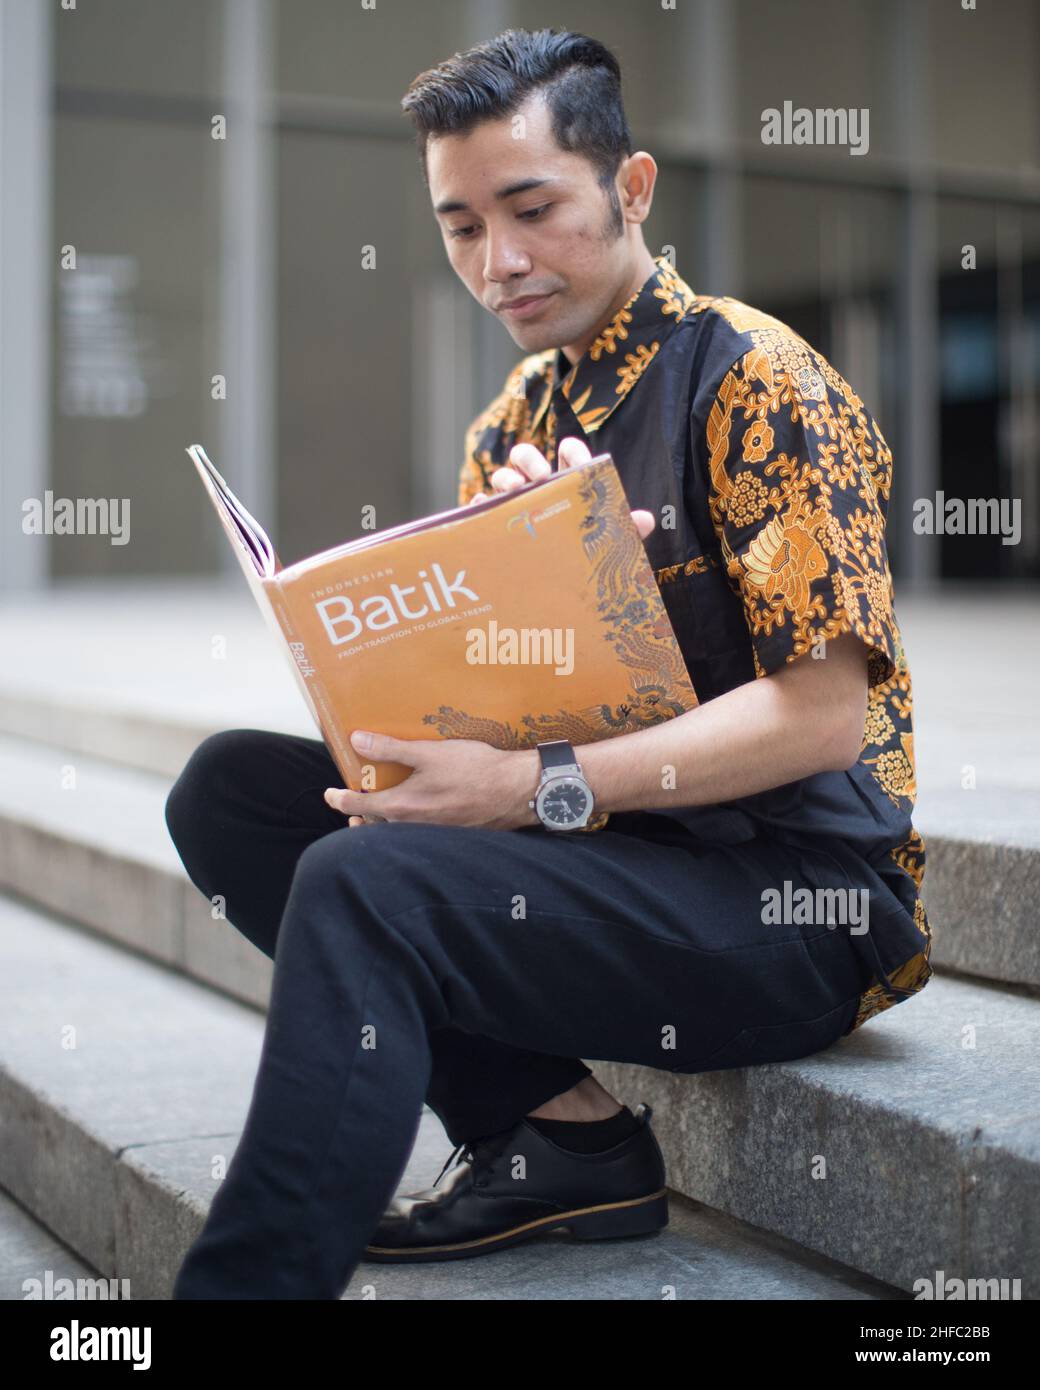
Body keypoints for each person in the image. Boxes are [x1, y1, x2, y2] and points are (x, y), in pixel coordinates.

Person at [166, 26, 932, 1300]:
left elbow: (820, 724)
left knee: (368, 882)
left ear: (629, 190)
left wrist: (527, 786)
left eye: (530, 210)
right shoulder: (511, 425)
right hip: (626, 864)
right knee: (234, 792)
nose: (498, 262)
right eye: (460, 226)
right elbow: (496, 711)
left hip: (797, 898)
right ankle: (559, 1138)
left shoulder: (756, 381)